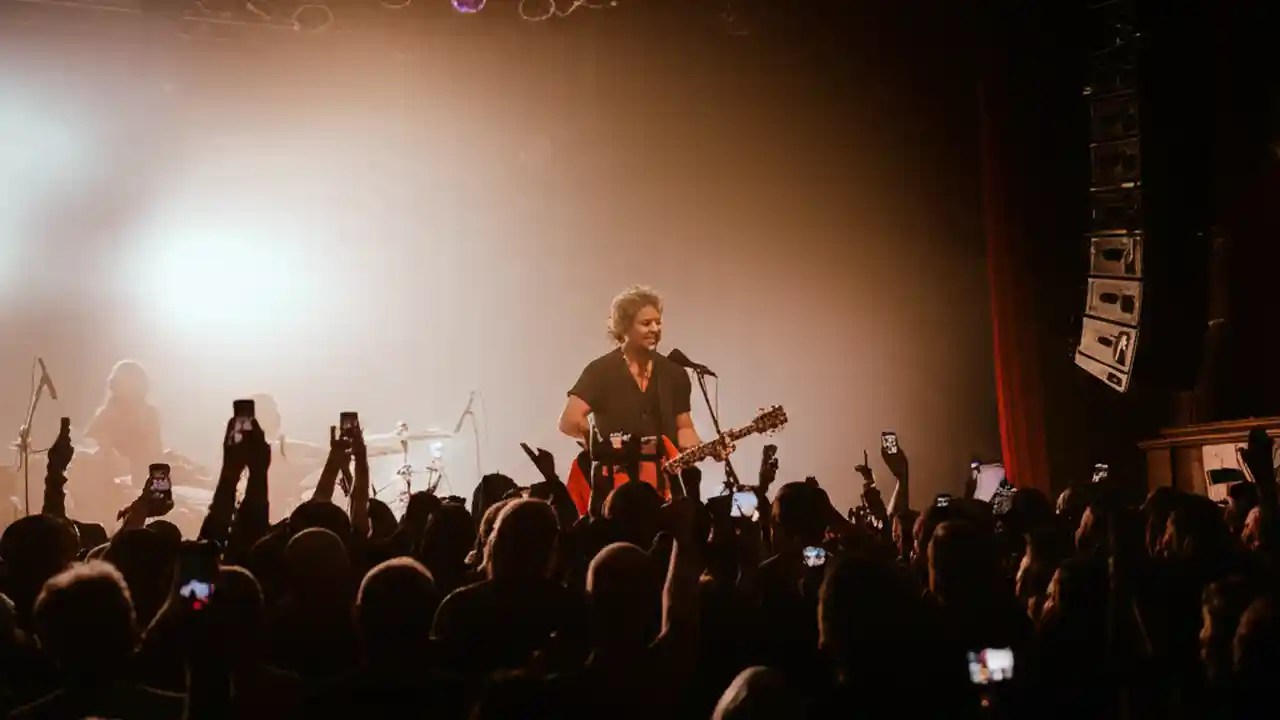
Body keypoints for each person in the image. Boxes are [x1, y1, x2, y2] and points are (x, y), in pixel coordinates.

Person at [558, 285, 710, 515]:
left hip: (665, 490)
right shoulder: (601, 371)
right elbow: (569, 420)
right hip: (616, 491)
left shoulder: (674, 373)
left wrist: (704, 447)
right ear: (624, 327)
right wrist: (598, 446)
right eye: (646, 323)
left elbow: (684, 428)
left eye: (658, 322)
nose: (655, 329)